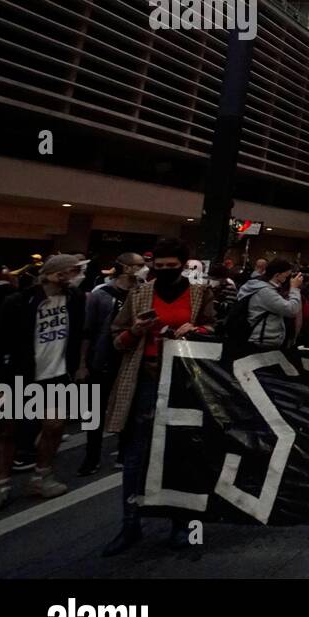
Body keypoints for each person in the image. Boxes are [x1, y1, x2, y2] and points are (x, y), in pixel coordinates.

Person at [102, 238, 216, 555]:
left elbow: (212, 329)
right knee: (136, 457)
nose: (165, 271)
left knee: (180, 455)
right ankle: (130, 524)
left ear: (183, 264)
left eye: (172, 266)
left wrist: (195, 329)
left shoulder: (199, 294)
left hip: (184, 382)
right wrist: (136, 330)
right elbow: (117, 339)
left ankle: (181, 525)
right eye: (160, 266)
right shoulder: (138, 295)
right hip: (146, 379)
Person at [0, 253, 87, 508]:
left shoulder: (75, 299)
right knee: (6, 429)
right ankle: (1, 483)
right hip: (18, 374)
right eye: (73, 270)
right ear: (56, 275)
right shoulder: (19, 302)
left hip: (56, 374)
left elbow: (78, 333)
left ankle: (42, 475)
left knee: (55, 425)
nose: (77, 275)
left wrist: (78, 365)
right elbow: (2, 341)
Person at [77, 252, 146, 477]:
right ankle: (91, 455)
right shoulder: (101, 295)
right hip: (102, 356)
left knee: (128, 406)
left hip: (129, 359)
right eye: (138, 265)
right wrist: (82, 363)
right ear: (125, 267)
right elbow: (87, 330)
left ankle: (124, 450)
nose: (142, 269)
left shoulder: (142, 292)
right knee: (94, 409)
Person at [236, 258, 304, 350]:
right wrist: (294, 289)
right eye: (286, 276)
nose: (287, 280)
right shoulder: (265, 292)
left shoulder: (262, 288)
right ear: (277, 275)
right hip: (262, 341)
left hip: (262, 339)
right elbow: (291, 310)